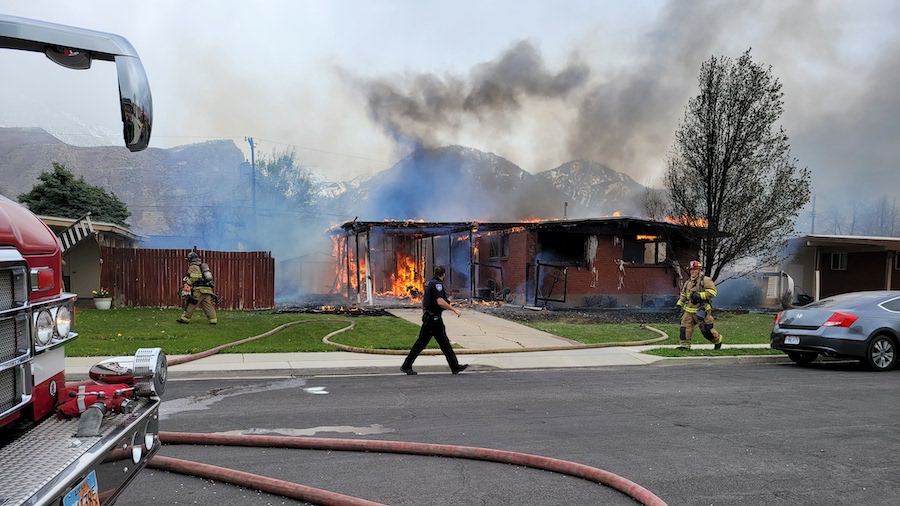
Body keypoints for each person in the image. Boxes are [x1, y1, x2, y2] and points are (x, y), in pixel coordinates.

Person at [401, 266, 468, 375]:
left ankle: (455, 366)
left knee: (444, 343)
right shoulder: (438, 285)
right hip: (433, 321)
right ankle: (406, 365)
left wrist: (424, 313)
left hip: (431, 318)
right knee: (421, 344)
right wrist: (454, 310)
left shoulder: (428, 283)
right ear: (444, 275)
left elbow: (423, 301)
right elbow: (440, 302)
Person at [674, 260, 723, 350]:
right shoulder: (688, 282)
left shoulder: (706, 280)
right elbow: (683, 295)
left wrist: (699, 295)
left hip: (701, 310)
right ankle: (685, 346)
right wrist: (678, 305)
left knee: (707, 330)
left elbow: (713, 292)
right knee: (684, 328)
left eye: (695, 269)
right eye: (691, 269)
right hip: (689, 310)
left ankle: (717, 340)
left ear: (699, 270)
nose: (693, 271)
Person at [177, 251, 218, 324]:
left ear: (190, 259)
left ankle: (185, 319)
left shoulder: (193, 266)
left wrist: (187, 284)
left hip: (199, 290)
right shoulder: (201, 266)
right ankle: (213, 320)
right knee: (208, 306)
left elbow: (194, 278)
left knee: (192, 303)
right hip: (207, 289)